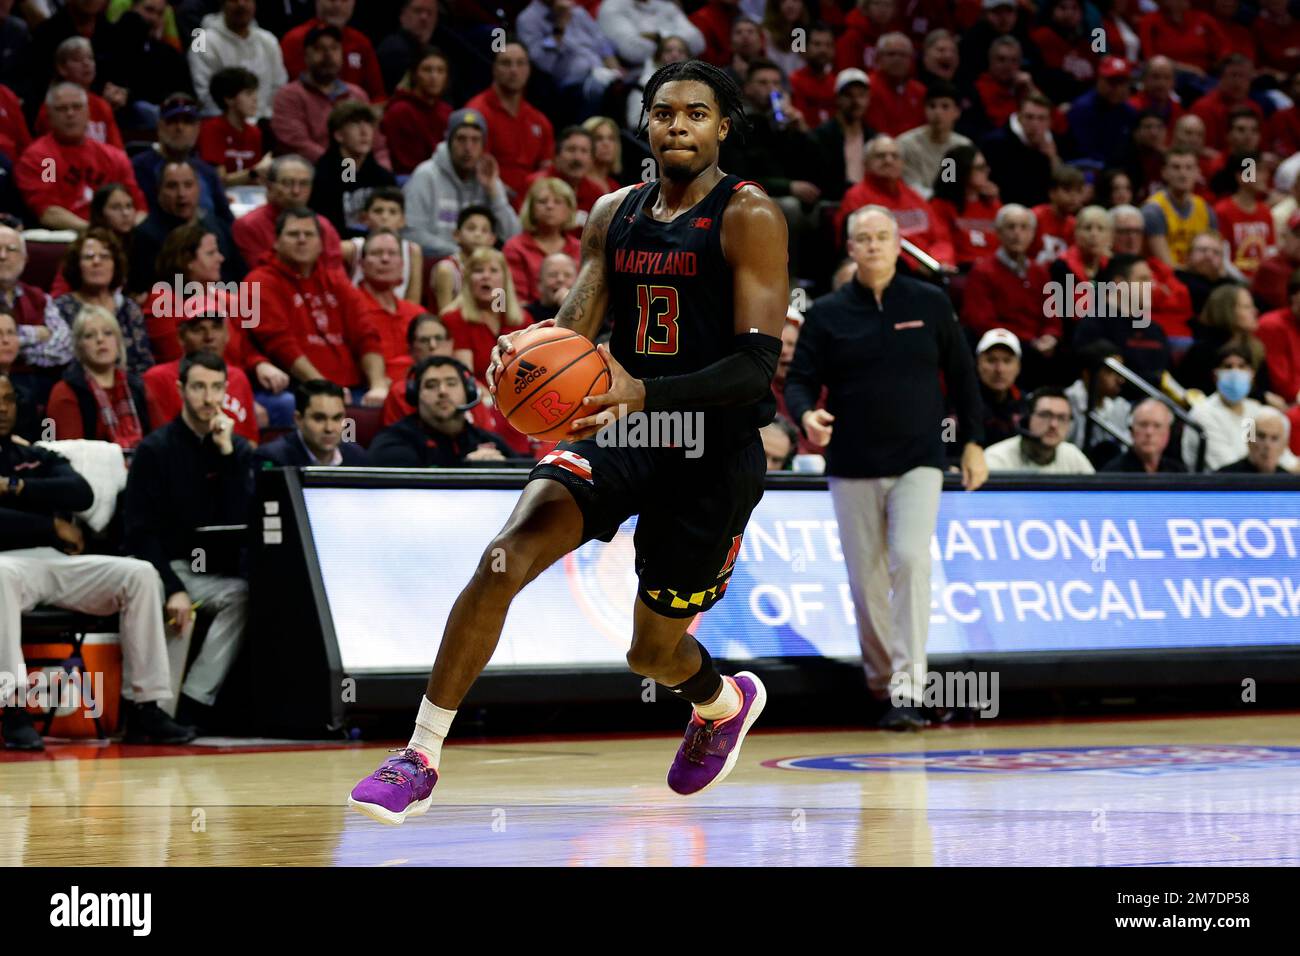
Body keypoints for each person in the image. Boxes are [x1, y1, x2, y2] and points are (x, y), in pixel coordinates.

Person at [349, 60, 789, 823]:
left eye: (694, 114)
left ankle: (720, 703)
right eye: (662, 113)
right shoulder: (614, 212)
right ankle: (418, 755)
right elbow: (574, 330)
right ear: (644, 124)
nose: (675, 126)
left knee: (651, 655)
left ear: (723, 127)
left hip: (712, 453)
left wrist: (643, 389)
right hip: (619, 430)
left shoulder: (750, 216)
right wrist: (525, 352)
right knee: (504, 557)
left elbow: (756, 371)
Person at [785, 205, 987, 730]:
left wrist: (972, 443)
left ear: (898, 245)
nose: (872, 246)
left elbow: (964, 377)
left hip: (919, 460)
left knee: (910, 558)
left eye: (881, 237)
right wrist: (808, 414)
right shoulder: (827, 314)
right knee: (865, 580)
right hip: (850, 463)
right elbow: (800, 379)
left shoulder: (931, 302)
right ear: (850, 248)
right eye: (862, 238)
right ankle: (883, 686)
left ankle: (908, 686)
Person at [0, 373, 194, 750]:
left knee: (139, 574)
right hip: (8, 565)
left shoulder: (31, 455)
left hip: (54, 562)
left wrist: (13, 487)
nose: (1, 407)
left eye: (7, 399)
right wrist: (49, 526)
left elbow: (80, 493)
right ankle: (11, 706)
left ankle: (145, 705)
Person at [124, 351, 254, 726]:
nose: (208, 397)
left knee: (249, 595)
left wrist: (228, 455)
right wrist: (173, 585)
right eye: (198, 387)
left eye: (216, 388)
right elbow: (138, 532)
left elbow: (241, 520)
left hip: (219, 573)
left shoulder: (236, 449)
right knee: (206, 604)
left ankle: (195, 702)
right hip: (163, 567)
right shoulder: (155, 450)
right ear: (181, 389)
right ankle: (173, 709)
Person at [243, 208, 388, 405]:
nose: (302, 239)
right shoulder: (259, 282)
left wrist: (378, 385)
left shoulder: (335, 280)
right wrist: (324, 387)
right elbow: (281, 345)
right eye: (293, 234)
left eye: (309, 234)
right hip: (301, 388)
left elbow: (366, 334)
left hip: (354, 387)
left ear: (321, 243)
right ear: (276, 242)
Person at [15, 83, 147, 230]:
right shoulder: (46, 159)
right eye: (62, 109)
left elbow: (139, 207)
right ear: (50, 116)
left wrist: (132, 230)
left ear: (88, 113)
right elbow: (49, 211)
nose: (70, 114)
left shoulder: (113, 157)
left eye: (77, 107)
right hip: (66, 237)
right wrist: (94, 231)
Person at [403, 107, 522, 258]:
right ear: (448, 142)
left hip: (479, 270)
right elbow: (411, 234)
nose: (468, 148)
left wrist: (494, 193)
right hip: (435, 266)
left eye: (475, 140)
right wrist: (459, 255)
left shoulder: (488, 179)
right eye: (461, 139)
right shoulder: (426, 176)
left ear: (483, 146)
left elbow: (514, 238)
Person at [141, 297, 260, 445]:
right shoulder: (158, 378)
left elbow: (251, 443)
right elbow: (161, 444)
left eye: (216, 327)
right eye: (198, 329)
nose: (209, 337)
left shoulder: (238, 377)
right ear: (181, 337)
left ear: (227, 334)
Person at [271, 24, 389, 169]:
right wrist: (345, 167)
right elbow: (298, 145)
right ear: (306, 55)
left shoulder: (357, 94)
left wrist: (384, 172)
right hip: (312, 173)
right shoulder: (289, 95)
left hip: (355, 170)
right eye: (319, 48)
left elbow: (377, 145)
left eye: (334, 48)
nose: (328, 54)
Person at [368, 355, 515, 468]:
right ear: (415, 395)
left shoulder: (488, 441)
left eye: (451, 383)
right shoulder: (394, 440)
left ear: (469, 392)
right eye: (431, 385)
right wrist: (468, 469)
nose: (442, 391)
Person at [834, 134, 953, 266]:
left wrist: (942, 260)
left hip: (929, 269)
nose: (888, 161)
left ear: (903, 163)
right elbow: (865, 245)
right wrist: (915, 265)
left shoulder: (914, 197)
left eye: (895, 156)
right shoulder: (856, 197)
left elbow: (941, 237)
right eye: (880, 156)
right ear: (866, 163)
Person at [128, 159, 243, 296]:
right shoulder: (145, 237)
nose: (181, 194)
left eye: (188, 185)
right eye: (172, 186)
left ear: (199, 189)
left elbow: (241, 276)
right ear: (159, 192)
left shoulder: (217, 227)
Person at [48, 228, 153, 378]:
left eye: (105, 256)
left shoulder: (129, 309)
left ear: (115, 265)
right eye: (89, 257)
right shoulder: (60, 309)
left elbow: (144, 363)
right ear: (77, 266)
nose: (97, 262)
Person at [45, 303, 152, 449]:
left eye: (108, 333)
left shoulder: (137, 387)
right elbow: (72, 454)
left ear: (118, 341)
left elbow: (159, 441)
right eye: (89, 336)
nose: (100, 340)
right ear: (79, 347)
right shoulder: (65, 392)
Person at [464, 43, 556, 207]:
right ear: (494, 68)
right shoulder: (477, 112)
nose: (514, 70)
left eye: (520, 63)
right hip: (488, 200)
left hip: (531, 205)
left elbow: (546, 169)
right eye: (506, 63)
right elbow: (475, 168)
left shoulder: (539, 120)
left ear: (529, 69)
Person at [1182, 345, 1300, 471]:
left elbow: (1286, 460)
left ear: (1252, 375)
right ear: (1215, 375)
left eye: (1242, 366)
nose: (1235, 372)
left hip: (1258, 484)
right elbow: (1229, 469)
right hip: (1220, 488)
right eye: (1228, 367)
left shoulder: (1257, 411)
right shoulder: (1202, 414)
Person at [130, 92, 233, 225]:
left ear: (197, 128)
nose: (180, 128)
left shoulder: (207, 172)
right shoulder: (138, 168)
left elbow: (227, 221)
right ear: (160, 126)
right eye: (173, 121)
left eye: (187, 121)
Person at [230, 155, 345, 272]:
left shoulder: (323, 226)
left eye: (304, 183)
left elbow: (336, 276)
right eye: (287, 183)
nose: (296, 191)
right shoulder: (249, 226)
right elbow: (263, 276)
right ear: (270, 187)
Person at [307, 101, 396, 239]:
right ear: (339, 135)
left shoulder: (383, 177)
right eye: (355, 124)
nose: (364, 132)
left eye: (368, 124)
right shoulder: (324, 176)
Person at [0, 224, 66, 405]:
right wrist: (37, 334)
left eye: (11, 250)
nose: (2, 256)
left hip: (33, 383)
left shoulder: (38, 297)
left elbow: (64, 347)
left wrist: (13, 347)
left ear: (25, 258)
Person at [189, 0, 288, 121]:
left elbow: (279, 87)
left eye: (247, 0)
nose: (241, 4)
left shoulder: (268, 40)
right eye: (234, 0)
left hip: (266, 122)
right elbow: (205, 95)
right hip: (224, 125)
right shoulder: (203, 41)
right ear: (223, 4)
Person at [440, 247, 527, 381]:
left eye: (493, 270)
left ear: (505, 279)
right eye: (478, 271)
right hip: (481, 398)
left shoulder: (523, 320)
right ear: (468, 280)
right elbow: (466, 377)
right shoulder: (454, 319)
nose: (486, 276)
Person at [1179, 282, 1276, 402]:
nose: (1255, 311)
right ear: (1227, 311)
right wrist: (1262, 397)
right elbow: (1201, 395)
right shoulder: (1203, 351)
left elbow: (1265, 388)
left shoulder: (1254, 347)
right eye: (1247, 307)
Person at [354, 229, 426, 383]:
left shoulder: (417, 313)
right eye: (376, 253)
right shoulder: (349, 306)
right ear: (361, 264)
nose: (385, 259)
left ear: (402, 265)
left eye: (392, 253)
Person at [279, 0, 384, 103]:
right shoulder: (294, 40)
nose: (337, 5)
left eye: (344, 0)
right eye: (331, 0)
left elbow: (378, 96)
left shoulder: (361, 42)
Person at [33, 37, 125, 148]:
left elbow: (117, 152)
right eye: (77, 59)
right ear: (62, 68)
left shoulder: (102, 106)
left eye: (90, 58)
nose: (86, 63)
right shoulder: (53, 107)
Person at [254, 379, 369, 467]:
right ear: (298, 419)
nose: (329, 428)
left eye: (336, 418)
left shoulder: (357, 458)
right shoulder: (273, 460)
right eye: (319, 419)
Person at [504, 178, 583, 306]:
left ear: (569, 210)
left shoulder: (580, 248)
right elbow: (516, 300)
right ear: (531, 210)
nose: (550, 206)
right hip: (530, 318)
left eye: (558, 202)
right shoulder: (515, 247)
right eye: (542, 201)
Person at [984, 386, 1096, 474]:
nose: (1054, 424)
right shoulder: (996, 458)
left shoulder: (1072, 455)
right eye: (1045, 415)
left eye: (1062, 418)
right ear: (1027, 419)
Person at [379, 46, 452, 178]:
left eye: (440, 71)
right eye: (427, 70)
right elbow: (403, 164)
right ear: (414, 74)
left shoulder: (447, 112)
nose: (434, 76)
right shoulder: (399, 111)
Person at [1142, 147, 1218, 269]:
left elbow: (1217, 256)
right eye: (1176, 167)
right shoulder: (1153, 210)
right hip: (1166, 279)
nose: (1183, 174)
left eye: (1189, 168)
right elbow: (1166, 265)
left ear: (1197, 172)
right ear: (1164, 173)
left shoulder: (1205, 209)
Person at [980, 92, 1059, 208]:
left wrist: (1052, 157)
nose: (1035, 123)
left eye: (1041, 118)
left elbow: (1060, 184)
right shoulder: (995, 143)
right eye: (1029, 117)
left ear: (1049, 121)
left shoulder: (1052, 142)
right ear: (1019, 116)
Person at [927, 144, 999, 269]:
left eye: (985, 166)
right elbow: (941, 240)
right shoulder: (941, 205)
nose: (987, 171)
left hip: (994, 269)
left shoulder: (992, 203)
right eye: (980, 168)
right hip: (963, 270)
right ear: (962, 171)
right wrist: (944, 262)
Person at [808, 67, 874, 204]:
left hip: (869, 200)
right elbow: (823, 181)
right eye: (849, 95)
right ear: (837, 98)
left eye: (861, 95)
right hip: (835, 203)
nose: (856, 101)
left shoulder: (873, 137)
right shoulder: (820, 136)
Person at [197, 67, 270, 186]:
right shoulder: (211, 129)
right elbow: (219, 180)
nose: (255, 99)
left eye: (255, 92)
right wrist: (254, 172)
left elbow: (256, 180)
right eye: (248, 93)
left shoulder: (255, 133)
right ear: (229, 99)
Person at [897, 81, 970, 200]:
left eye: (945, 106)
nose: (937, 112)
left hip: (948, 207)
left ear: (957, 112)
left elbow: (954, 185)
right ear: (924, 110)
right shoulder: (906, 144)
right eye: (932, 106)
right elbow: (911, 187)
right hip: (915, 205)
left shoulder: (963, 147)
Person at [1065, 339, 1131, 459]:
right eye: (1111, 372)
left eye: (1120, 372)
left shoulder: (1121, 407)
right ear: (1087, 374)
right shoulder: (1066, 403)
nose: (1121, 380)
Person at [430, 205, 496, 314]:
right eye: (471, 228)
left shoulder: (497, 269)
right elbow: (445, 317)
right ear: (457, 235)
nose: (477, 234)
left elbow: (499, 309)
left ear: (492, 239)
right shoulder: (446, 269)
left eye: (484, 230)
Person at [972, 328, 1026, 448]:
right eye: (991, 360)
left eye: (1007, 361)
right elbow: (946, 444)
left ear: (1018, 367)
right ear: (978, 364)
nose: (999, 369)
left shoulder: (1027, 406)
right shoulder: (955, 404)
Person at [1101, 398, 1187, 473]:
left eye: (1157, 426)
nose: (1149, 432)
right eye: (1143, 425)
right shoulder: (1112, 473)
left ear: (1168, 433)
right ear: (1132, 431)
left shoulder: (1178, 472)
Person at [1217, 407, 1294, 474]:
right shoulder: (1224, 478)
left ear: (1284, 445)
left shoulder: (1291, 484)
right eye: (1261, 436)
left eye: (1274, 438)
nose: (1267, 445)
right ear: (1249, 439)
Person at [525, 252, 576, 325]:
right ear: (539, 283)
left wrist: (571, 305)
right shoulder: (526, 315)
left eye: (567, 275)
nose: (560, 279)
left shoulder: (589, 314)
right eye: (553, 275)